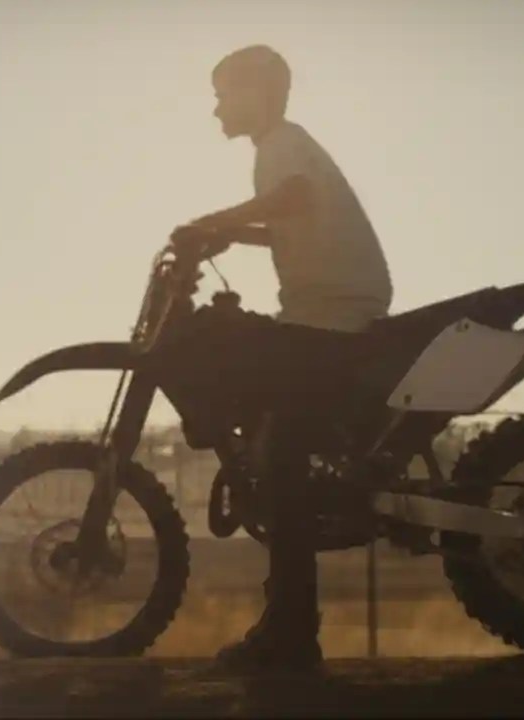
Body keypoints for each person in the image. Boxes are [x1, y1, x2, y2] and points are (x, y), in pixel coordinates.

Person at [170, 45, 394, 672]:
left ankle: (292, 632)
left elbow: (294, 198)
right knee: (273, 435)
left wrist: (210, 222)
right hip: (325, 313)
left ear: (260, 93)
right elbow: (291, 220)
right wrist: (225, 233)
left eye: (224, 94)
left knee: (281, 458)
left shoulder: (282, 144)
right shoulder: (281, 148)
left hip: (330, 318)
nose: (217, 108)